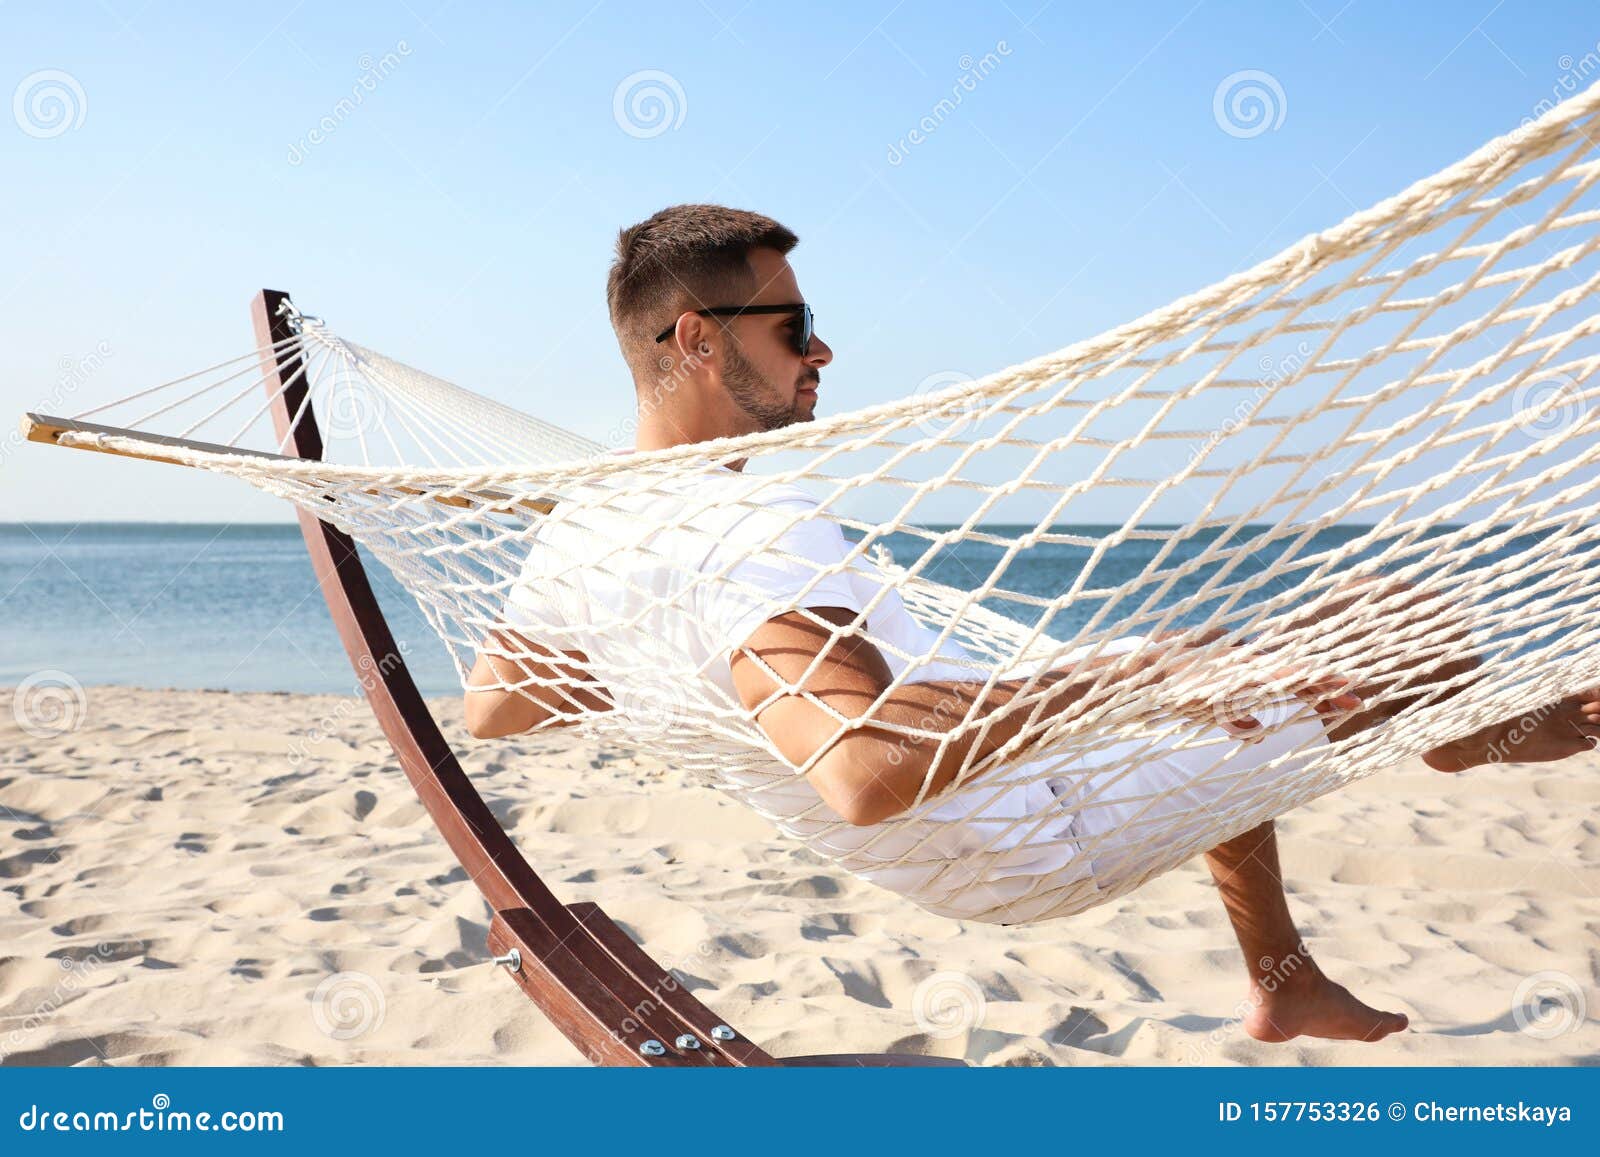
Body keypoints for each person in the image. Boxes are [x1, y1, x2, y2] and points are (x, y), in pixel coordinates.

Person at [465, 203, 1600, 1045]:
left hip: (993, 801)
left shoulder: (596, 523)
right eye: (793, 324)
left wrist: (672, 666)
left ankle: (1282, 973)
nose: (821, 351)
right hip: (1035, 828)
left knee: (1208, 659)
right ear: (698, 343)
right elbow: (861, 768)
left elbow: (497, 705)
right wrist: (1114, 689)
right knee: (1398, 617)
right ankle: (1462, 728)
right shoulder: (752, 522)